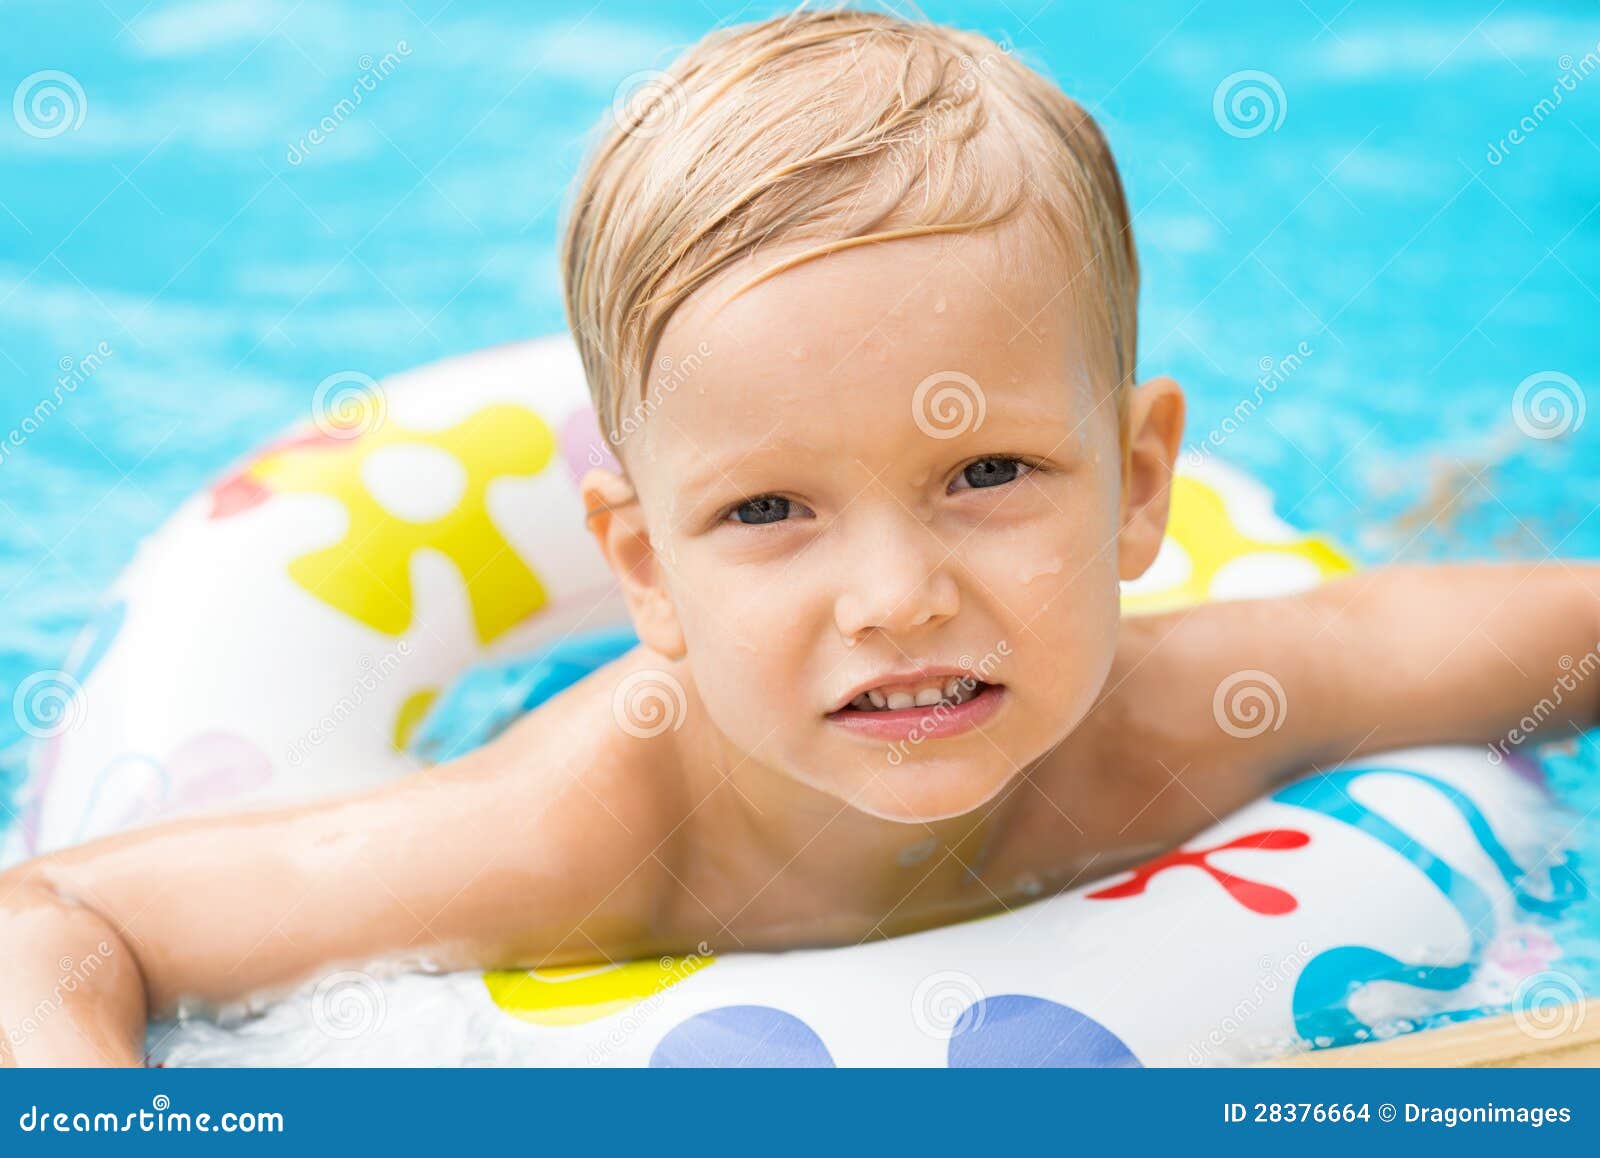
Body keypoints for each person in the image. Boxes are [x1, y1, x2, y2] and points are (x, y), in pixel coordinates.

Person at [3, 6, 1597, 1067]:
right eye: (768, 509)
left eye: (988, 472)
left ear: (1135, 484)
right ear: (641, 566)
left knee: (1448, 514)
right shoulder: (571, 838)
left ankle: (1455, 479)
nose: (899, 598)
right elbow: (54, 918)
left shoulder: (1184, 714)